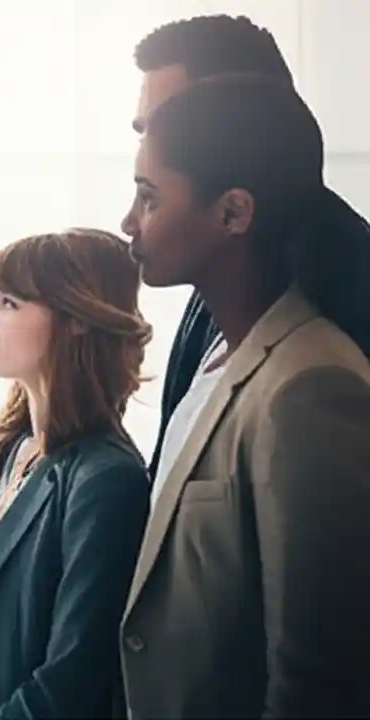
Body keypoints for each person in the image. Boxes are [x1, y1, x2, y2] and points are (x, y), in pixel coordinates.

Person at [119, 75, 370, 718]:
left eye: (149, 198)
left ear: (233, 213)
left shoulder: (311, 385)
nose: (128, 222)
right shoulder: (213, 356)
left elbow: (317, 677)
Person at [0, 229, 153, 720]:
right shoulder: (14, 449)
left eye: (10, 302)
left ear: (77, 322)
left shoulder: (107, 479)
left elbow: (74, 673)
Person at [129, 15, 295, 478]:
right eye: (144, 129)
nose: (154, 143)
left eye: (169, 122)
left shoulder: (334, 298)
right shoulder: (215, 291)